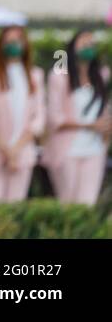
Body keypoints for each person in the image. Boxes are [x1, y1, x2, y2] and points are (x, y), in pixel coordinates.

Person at [41, 29, 111, 205]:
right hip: (67, 150)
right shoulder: (59, 76)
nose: (89, 48)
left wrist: (105, 130)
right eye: (84, 43)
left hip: (94, 149)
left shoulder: (101, 76)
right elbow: (54, 118)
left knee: (87, 204)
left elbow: (105, 110)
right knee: (68, 204)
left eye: (92, 44)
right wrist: (88, 125)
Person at [0, 26, 46, 202]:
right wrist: (7, 152)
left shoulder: (35, 75)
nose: (13, 44)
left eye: (17, 40)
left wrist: (16, 151)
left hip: (23, 151)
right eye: (8, 40)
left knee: (16, 205)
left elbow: (38, 117)